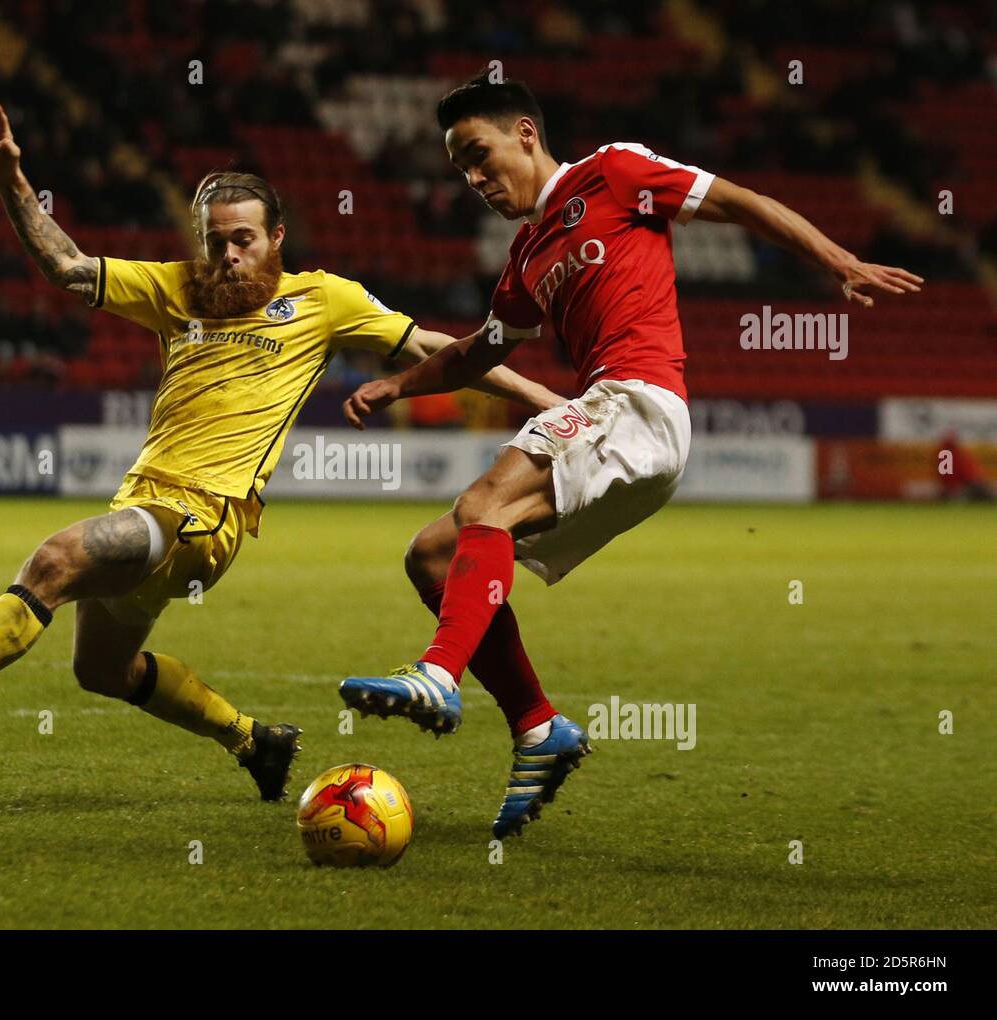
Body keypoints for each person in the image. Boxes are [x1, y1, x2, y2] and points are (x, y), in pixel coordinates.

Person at [0, 100, 562, 806]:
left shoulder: (322, 299)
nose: (229, 255)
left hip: (205, 517)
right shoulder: (176, 289)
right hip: (144, 500)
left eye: (244, 239)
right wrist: (9, 177)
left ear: (278, 238)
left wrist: (548, 401)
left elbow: (440, 347)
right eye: (216, 241)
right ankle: (255, 742)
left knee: (53, 562)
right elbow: (69, 269)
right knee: (102, 670)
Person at [341, 70, 924, 838]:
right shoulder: (526, 256)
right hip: (615, 421)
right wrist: (398, 387)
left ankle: (437, 675)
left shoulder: (613, 172)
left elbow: (737, 201)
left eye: (479, 155)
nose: (475, 178)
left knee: (484, 506)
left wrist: (835, 259)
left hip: (638, 402)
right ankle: (540, 729)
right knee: (431, 557)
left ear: (525, 134)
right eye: (460, 168)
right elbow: (478, 352)